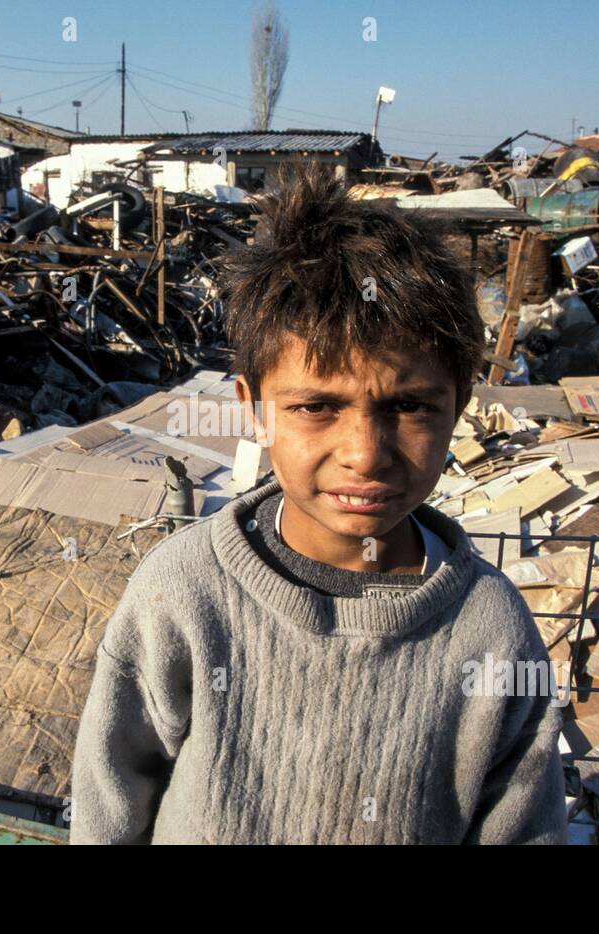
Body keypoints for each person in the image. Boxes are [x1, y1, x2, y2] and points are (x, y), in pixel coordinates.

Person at [70, 167, 566, 844]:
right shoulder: (183, 593)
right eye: (316, 407)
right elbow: (112, 798)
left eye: (410, 407)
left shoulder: (490, 632)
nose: (365, 453)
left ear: (459, 410)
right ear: (254, 412)